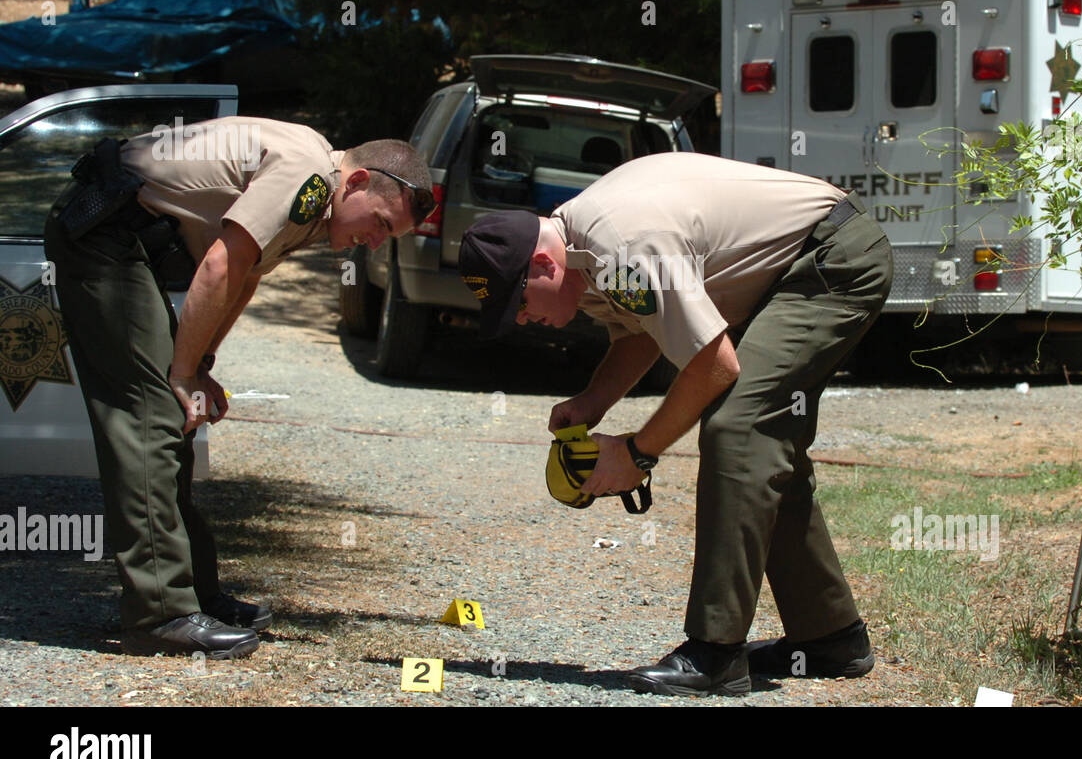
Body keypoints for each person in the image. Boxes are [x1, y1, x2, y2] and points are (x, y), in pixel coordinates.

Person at [459, 151, 893, 696]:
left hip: (829, 259)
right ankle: (830, 638)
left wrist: (636, 453)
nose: (523, 319)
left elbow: (715, 366)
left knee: (738, 427)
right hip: (796, 264)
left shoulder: (621, 246)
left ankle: (716, 653)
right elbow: (645, 328)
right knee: (762, 444)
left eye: (518, 303)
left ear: (544, 266)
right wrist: (594, 401)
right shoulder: (585, 248)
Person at [44, 118, 433, 659]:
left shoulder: (318, 200)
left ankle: (194, 596)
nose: (373, 243)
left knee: (172, 418)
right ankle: (160, 615)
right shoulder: (306, 173)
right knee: (153, 418)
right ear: (360, 181)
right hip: (102, 235)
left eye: (387, 238)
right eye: (381, 224)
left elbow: (245, 275)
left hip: (126, 242)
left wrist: (200, 365)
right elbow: (219, 266)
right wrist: (182, 375)